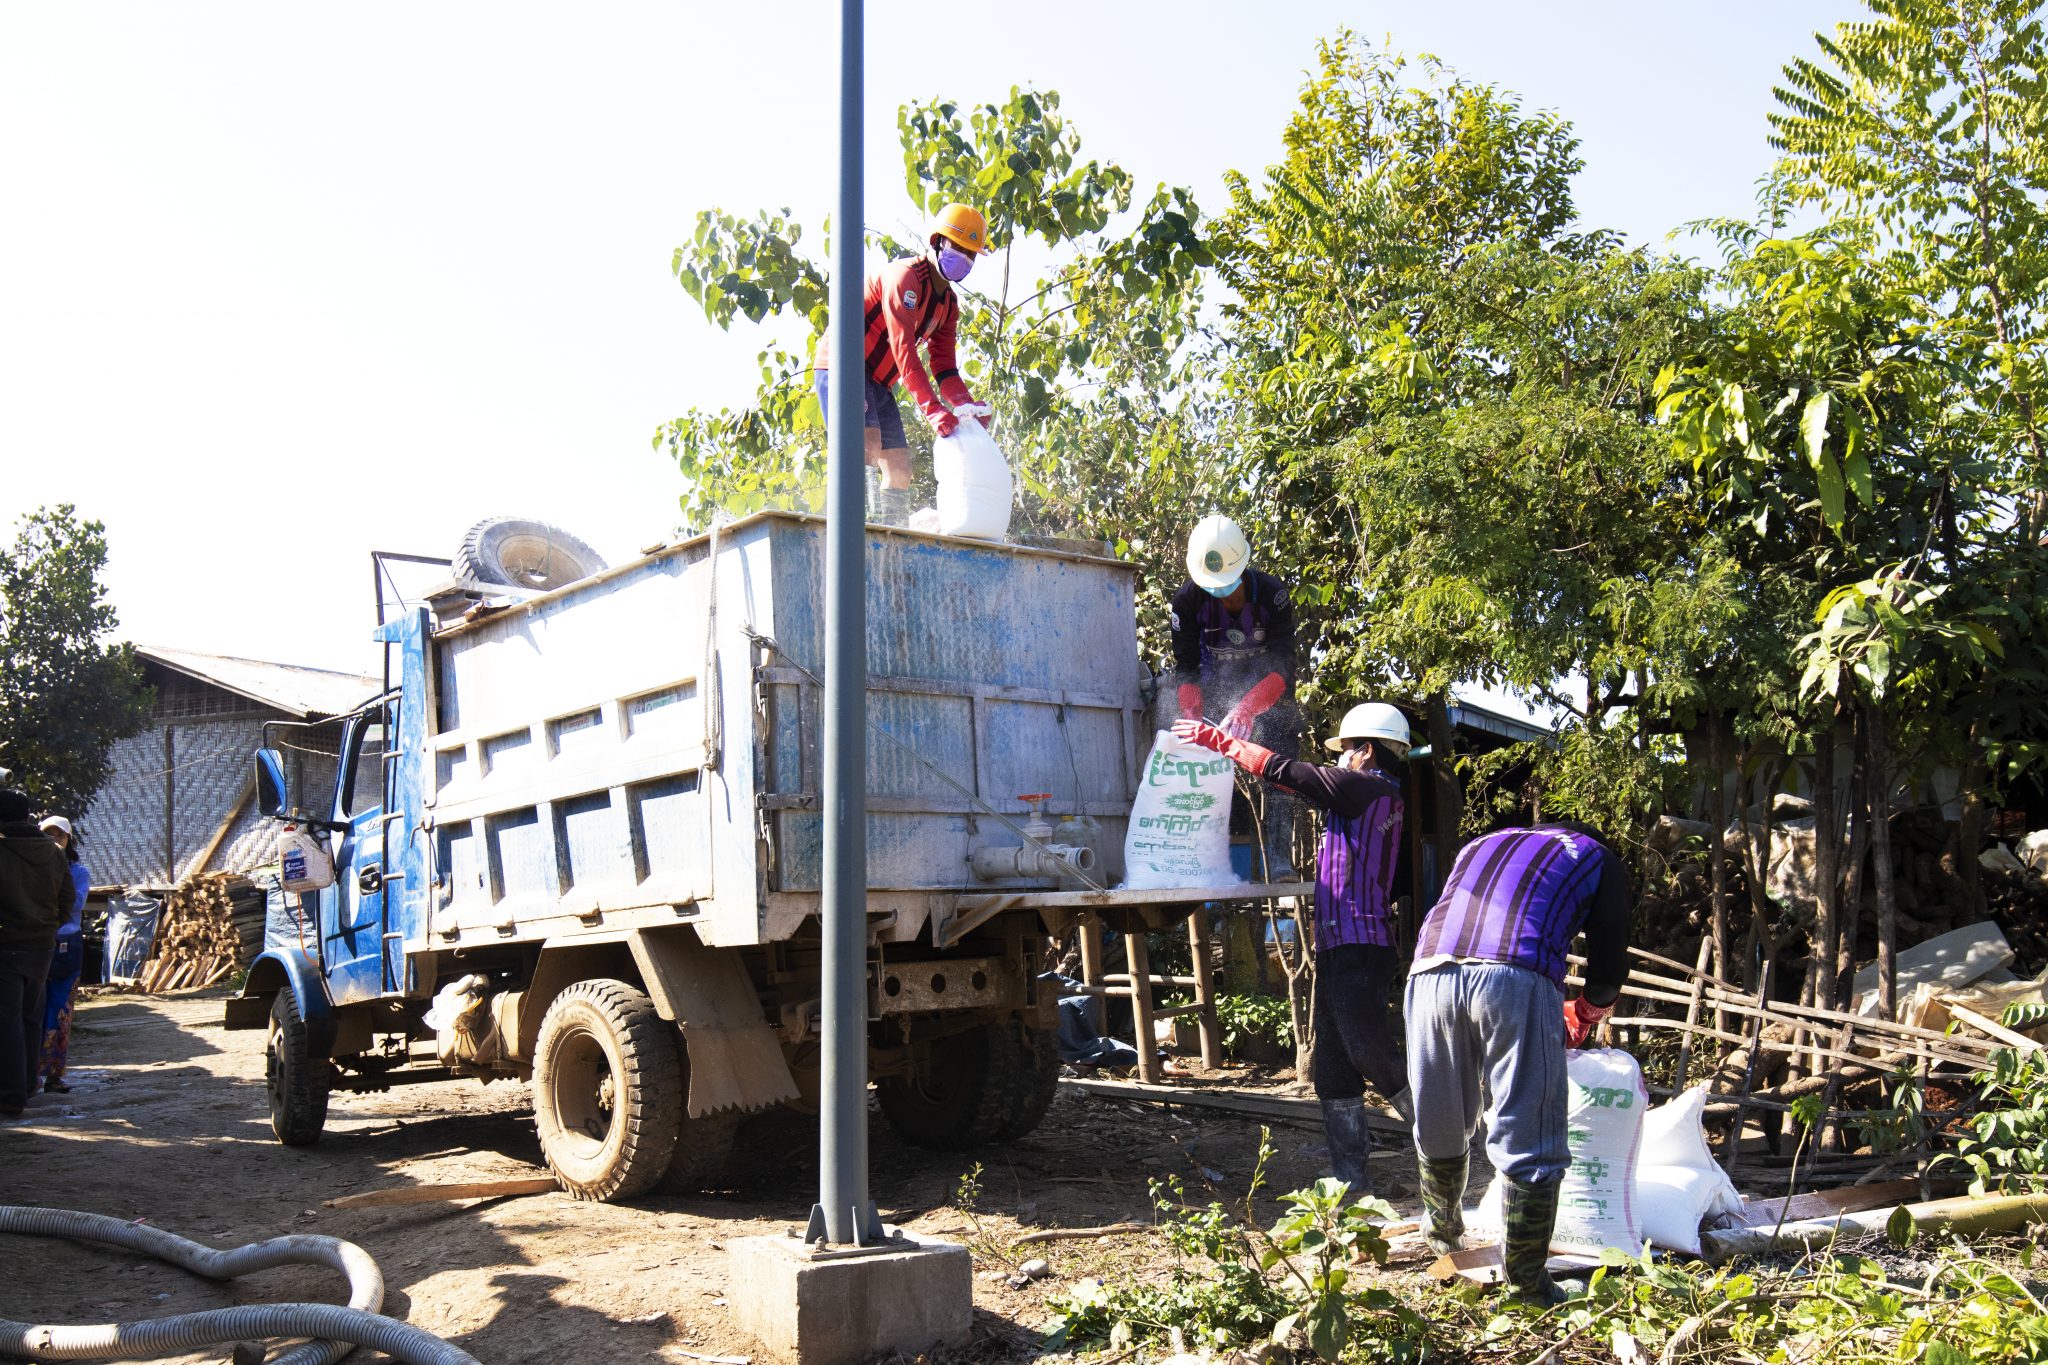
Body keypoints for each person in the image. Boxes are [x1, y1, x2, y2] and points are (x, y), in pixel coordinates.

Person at [1173, 700, 1413, 1195]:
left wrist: (1218, 741)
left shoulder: (1362, 787)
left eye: (1345, 752)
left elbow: (1287, 770)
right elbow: (1288, 781)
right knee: (1333, 1066)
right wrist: (1245, 757)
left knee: (1368, 1050)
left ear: (1366, 752)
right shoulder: (1377, 795)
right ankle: (1351, 1180)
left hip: (1357, 943)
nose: (1340, 760)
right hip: (1344, 945)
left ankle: (1448, 1139)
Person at [1403, 823, 1631, 1305]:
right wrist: (1586, 1012)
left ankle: (1443, 1244)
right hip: (1514, 975)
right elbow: (1609, 965)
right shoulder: (1596, 856)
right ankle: (1527, 1283)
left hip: (1428, 972)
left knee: (1441, 1118)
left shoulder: (1481, 842)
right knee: (1531, 1126)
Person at [812, 202, 994, 527]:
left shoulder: (949, 307)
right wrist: (934, 409)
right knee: (866, 441)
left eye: (971, 254)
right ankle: (853, 532)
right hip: (843, 366)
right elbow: (904, 351)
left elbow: (945, 368)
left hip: (879, 383)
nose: (963, 259)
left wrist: (966, 406)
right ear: (937, 242)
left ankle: (889, 543)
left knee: (900, 469)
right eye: (957, 248)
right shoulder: (905, 278)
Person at [1169, 515, 1301, 878]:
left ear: (1242, 568)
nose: (1223, 594)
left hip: (1267, 696)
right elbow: (1187, 667)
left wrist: (1248, 708)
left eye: (1227, 586)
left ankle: (1278, 859)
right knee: (1202, 772)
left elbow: (1286, 666)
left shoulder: (1273, 595)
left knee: (1280, 765)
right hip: (1213, 699)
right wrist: (1193, 717)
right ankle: (1206, 863)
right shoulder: (1187, 602)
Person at [0, 790, 70, 1118]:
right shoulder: (54, 852)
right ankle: (28, 1084)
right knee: (30, 1017)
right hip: (42, 946)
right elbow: (67, 899)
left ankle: (12, 1097)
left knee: (7, 1022)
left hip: (7, 946)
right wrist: (48, 927)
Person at [38, 815, 89, 1095]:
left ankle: (54, 1074)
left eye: (59, 835)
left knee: (60, 1011)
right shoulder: (33, 867)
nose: (54, 840)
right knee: (33, 1010)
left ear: (69, 840)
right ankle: (31, 1073)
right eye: (48, 834)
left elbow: (76, 903)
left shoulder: (78, 872)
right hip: (39, 942)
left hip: (66, 944)